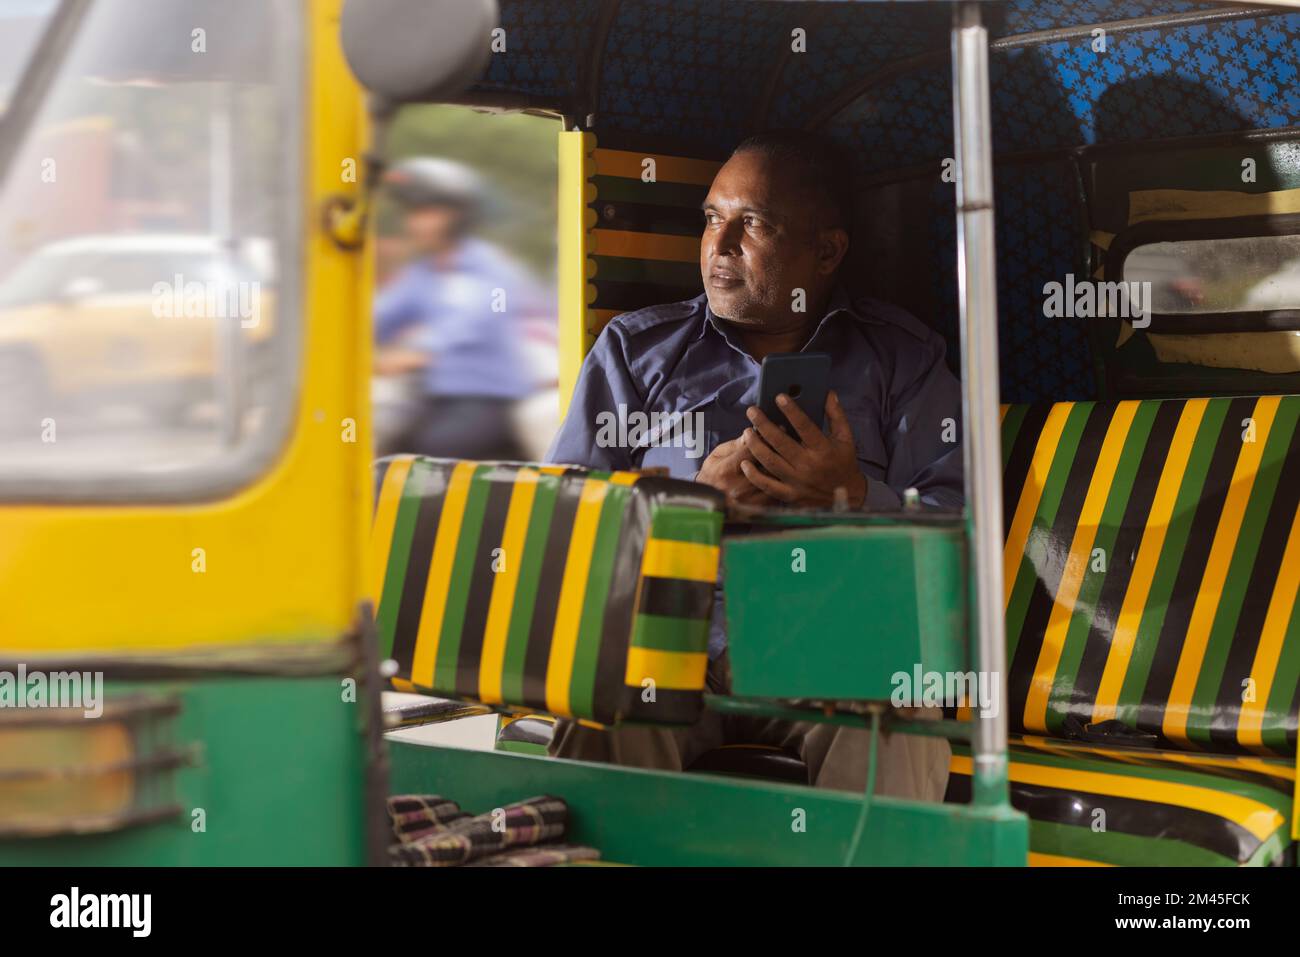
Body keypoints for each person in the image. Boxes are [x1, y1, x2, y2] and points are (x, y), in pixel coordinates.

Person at [544, 130, 963, 800]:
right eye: (712, 218)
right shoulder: (636, 352)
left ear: (826, 251)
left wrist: (853, 494)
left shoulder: (901, 361)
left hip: (834, 641)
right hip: (671, 636)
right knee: (606, 699)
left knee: (895, 705)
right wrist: (692, 509)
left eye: (755, 224)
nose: (720, 245)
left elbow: (959, 538)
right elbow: (558, 529)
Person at [374, 157, 550, 460]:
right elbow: (381, 316)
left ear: (457, 216)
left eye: (426, 212)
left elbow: (475, 318)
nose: (414, 224)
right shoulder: (422, 274)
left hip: (486, 399)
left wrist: (418, 351)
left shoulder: (488, 266)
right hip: (434, 398)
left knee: (426, 457)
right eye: (411, 213)